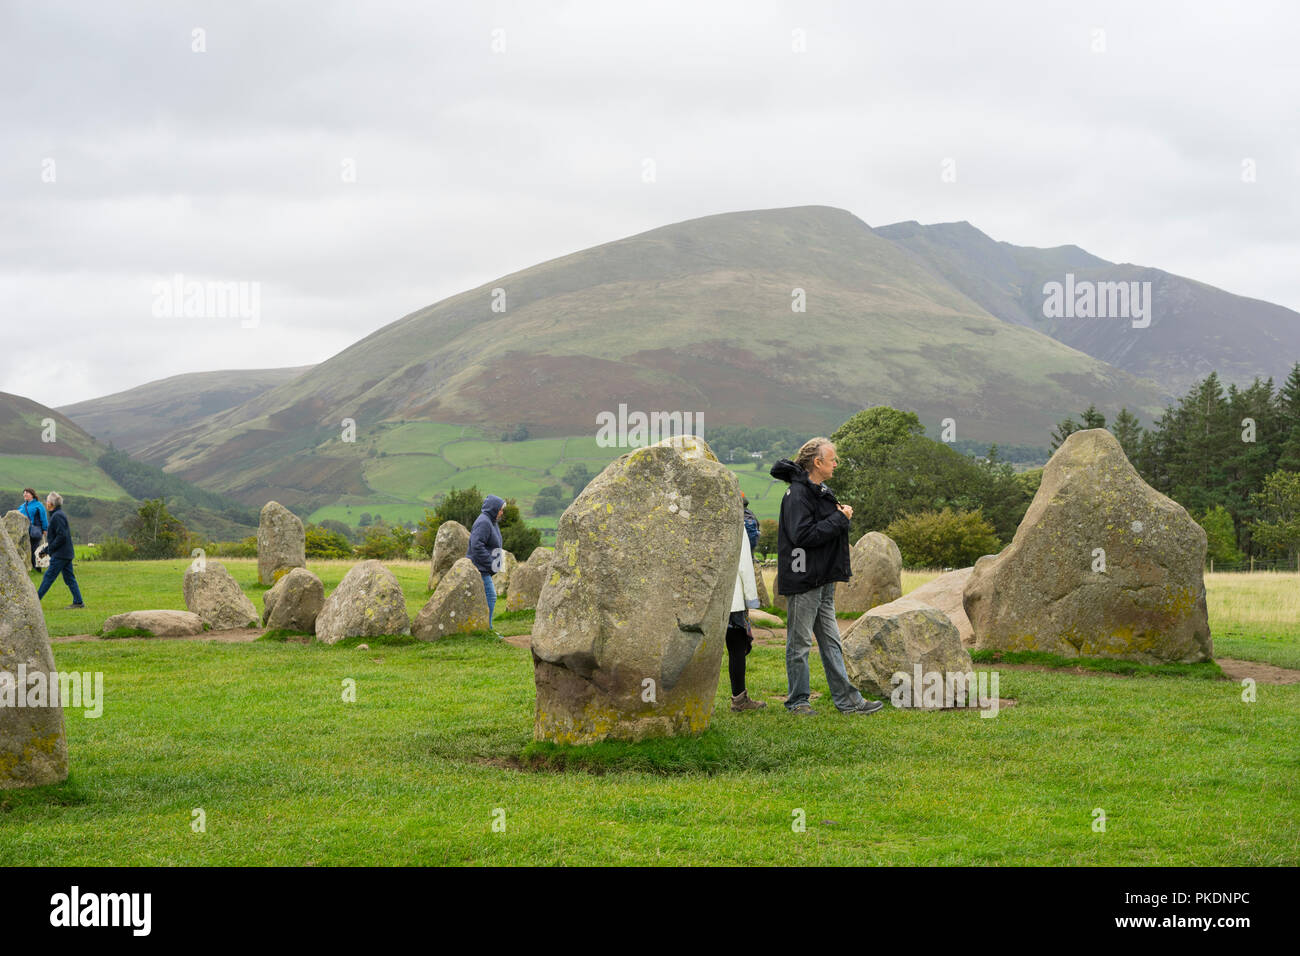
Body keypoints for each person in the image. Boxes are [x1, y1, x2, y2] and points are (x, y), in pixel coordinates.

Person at [770, 438, 882, 716]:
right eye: (832, 459)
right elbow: (802, 535)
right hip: (804, 578)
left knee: (831, 641)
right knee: (799, 644)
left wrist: (837, 515)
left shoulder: (818, 491)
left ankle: (849, 702)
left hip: (822, 578)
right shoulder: (797, 494)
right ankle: (798, 702)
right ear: (817, 463)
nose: (836, 463)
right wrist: (840, 519)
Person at [726, 491, 766, 711]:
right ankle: (739, 700)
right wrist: (751, 599)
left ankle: (697, 700)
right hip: (732, 598)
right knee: (736, 645)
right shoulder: (737, 522)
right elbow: (744, 562)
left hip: (702, 600)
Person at [35, 491, 85, 609]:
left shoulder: (57, 516)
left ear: (51, 504)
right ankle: (78, 602)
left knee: (49, 577)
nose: (46, 503)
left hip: (61, 554)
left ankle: (35, 601)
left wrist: (49, 549)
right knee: (69, 578)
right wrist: (46, 550)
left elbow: (61, 536)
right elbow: (61, 536)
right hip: (65, 553)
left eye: (47, 501)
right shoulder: (58, 514)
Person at [467, 494, 507, 635]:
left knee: (487, 597)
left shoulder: (491, 522)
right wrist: (491, 563)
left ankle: (484, 627)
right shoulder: (484, 522)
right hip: (480, 568)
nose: (502, 512)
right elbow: (476, 545)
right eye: (500, 509)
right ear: (493, 508)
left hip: (486, 568)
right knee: (491, 596)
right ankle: (487, 629)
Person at [19, 487, 48, 571]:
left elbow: (43, 517)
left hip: (35, 531)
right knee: (26, 549)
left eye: (27, 493)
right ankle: (30, 567)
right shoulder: (22, 506)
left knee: (35, 549)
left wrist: (45, 529)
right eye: (24, 493)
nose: (25, 494)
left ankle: (37, 568)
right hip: (23, 532)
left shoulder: (38, 505)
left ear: (32, 495)